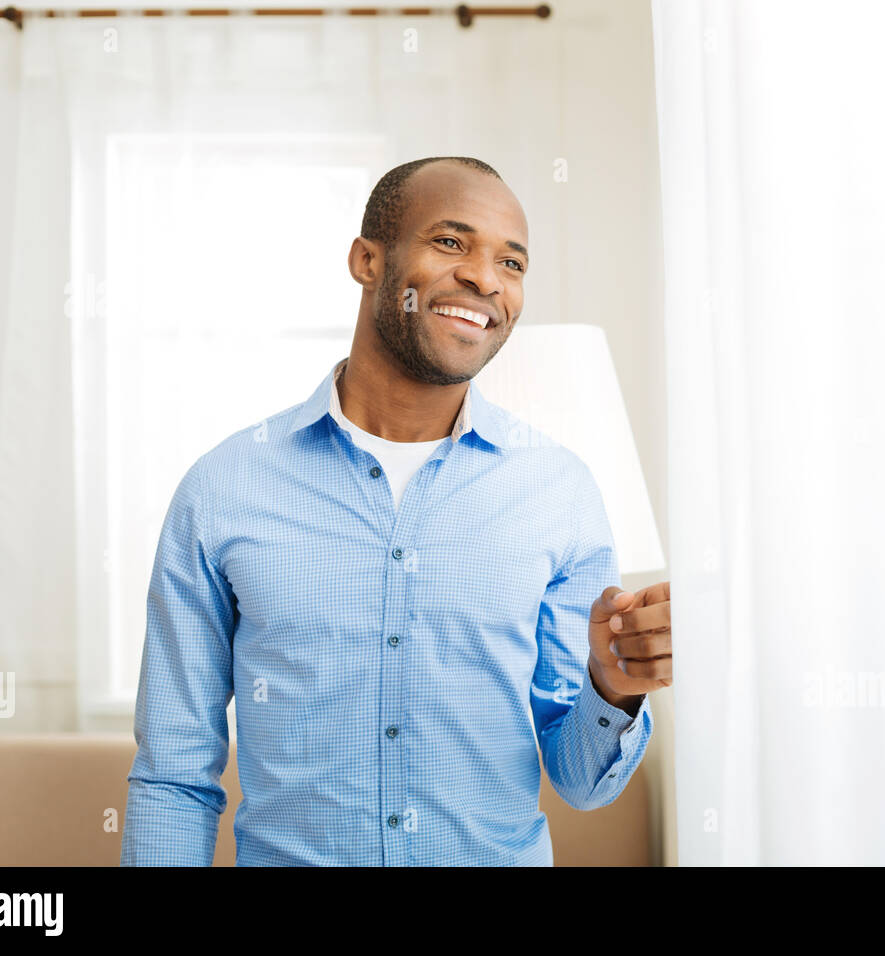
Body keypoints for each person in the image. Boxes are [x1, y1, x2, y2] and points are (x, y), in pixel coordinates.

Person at [120, 156, 673, 866]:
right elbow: (173, 776)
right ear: (368, 259)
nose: (485, 277)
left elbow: (579, 780)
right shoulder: (224, 491)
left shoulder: (558, 494)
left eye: (512, 262)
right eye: (451, 243)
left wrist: (615, 685)